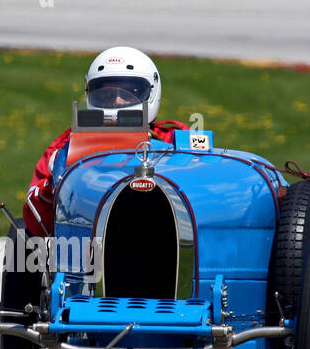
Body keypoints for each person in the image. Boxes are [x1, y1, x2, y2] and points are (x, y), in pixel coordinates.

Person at [23, 46, 187, 237]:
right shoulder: (66, 146)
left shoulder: (174, 139)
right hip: (87, 245)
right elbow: (34, 222)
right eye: (107, 94)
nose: (117, 101)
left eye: (128, 94)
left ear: (151, 91)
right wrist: (52, 184)